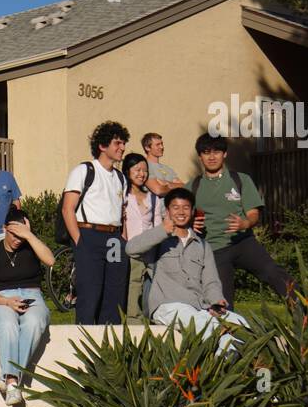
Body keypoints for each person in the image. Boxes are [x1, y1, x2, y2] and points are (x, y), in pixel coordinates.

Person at [126, 187, 249, 355]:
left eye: (185, 207)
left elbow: (211, 281)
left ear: (192, 212)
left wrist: (216, 301)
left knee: (239, 322)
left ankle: (229, 367)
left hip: (199, 307)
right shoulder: (157, 239)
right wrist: (163, 229)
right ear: (167, 211)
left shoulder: (202, 245)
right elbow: (131, 248)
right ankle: (221, 366)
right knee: (204, 325)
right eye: (175, 207)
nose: (181, 212)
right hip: (167, 305)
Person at [190, 132, 293, 309]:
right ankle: (227, 335)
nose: (212, 156)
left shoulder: (240, 180)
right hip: (214, 249)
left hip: (244, 243)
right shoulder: (193, 186)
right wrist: (190, 224)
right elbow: (181, 216)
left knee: (274, 273)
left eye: (216, 151)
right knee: (222, 302)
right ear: (200, 156)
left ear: (225, 154)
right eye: (206, 152)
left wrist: (245, 223)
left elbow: (253, 214)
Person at [0, 206, 55, 405]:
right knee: (8, 324)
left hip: (33, 297)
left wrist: (29, 236)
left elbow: (50, 260)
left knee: (34, 322)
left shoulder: (30, 245)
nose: (17, 240)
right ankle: (13, 380)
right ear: (4, 228)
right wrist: (7, 302)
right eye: (14, 234)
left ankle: (9, 378)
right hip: (2, 299)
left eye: (21, 235)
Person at [61, 121, 129, 325]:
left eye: (123, 143)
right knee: (90, 291)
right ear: (102, 146)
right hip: (89, 235)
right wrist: (80, 241)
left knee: (115, 291)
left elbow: (122, 212)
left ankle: (110, 340)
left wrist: (122, 238)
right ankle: (85, 340)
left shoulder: (120, 177)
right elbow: (67, 209)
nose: (122, 148)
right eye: (117, 143)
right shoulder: (84, 170)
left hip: (114, 238)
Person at [121, 152, 165, 323]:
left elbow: (158, 225)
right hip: (131, 250)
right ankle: (134, 321)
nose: (142, 174)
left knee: (157, 285)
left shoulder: (153, 198)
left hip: (151, 250)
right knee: (134, 285)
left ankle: (159, 317)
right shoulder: (123, 197)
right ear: (127, 171)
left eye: (145, 170)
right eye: (137, 169)